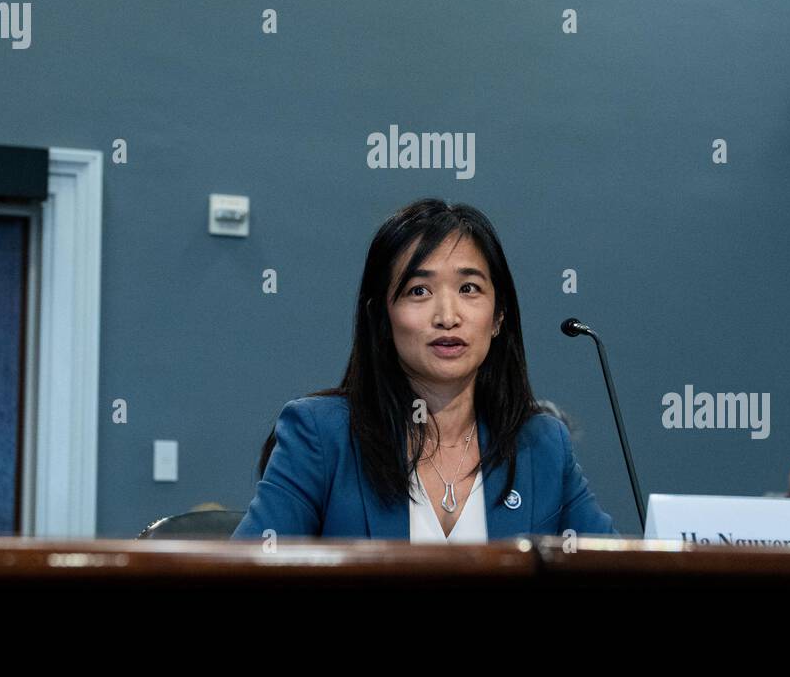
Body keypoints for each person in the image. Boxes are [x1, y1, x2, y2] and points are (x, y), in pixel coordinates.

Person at [232, 198, 617, 541]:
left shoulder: (541, 444)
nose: (447, 317)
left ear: (498, 316)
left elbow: (623, 573)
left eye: (469, 289)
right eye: (419, 290)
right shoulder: (320, 436)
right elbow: (244, 576)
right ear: (381, 317)